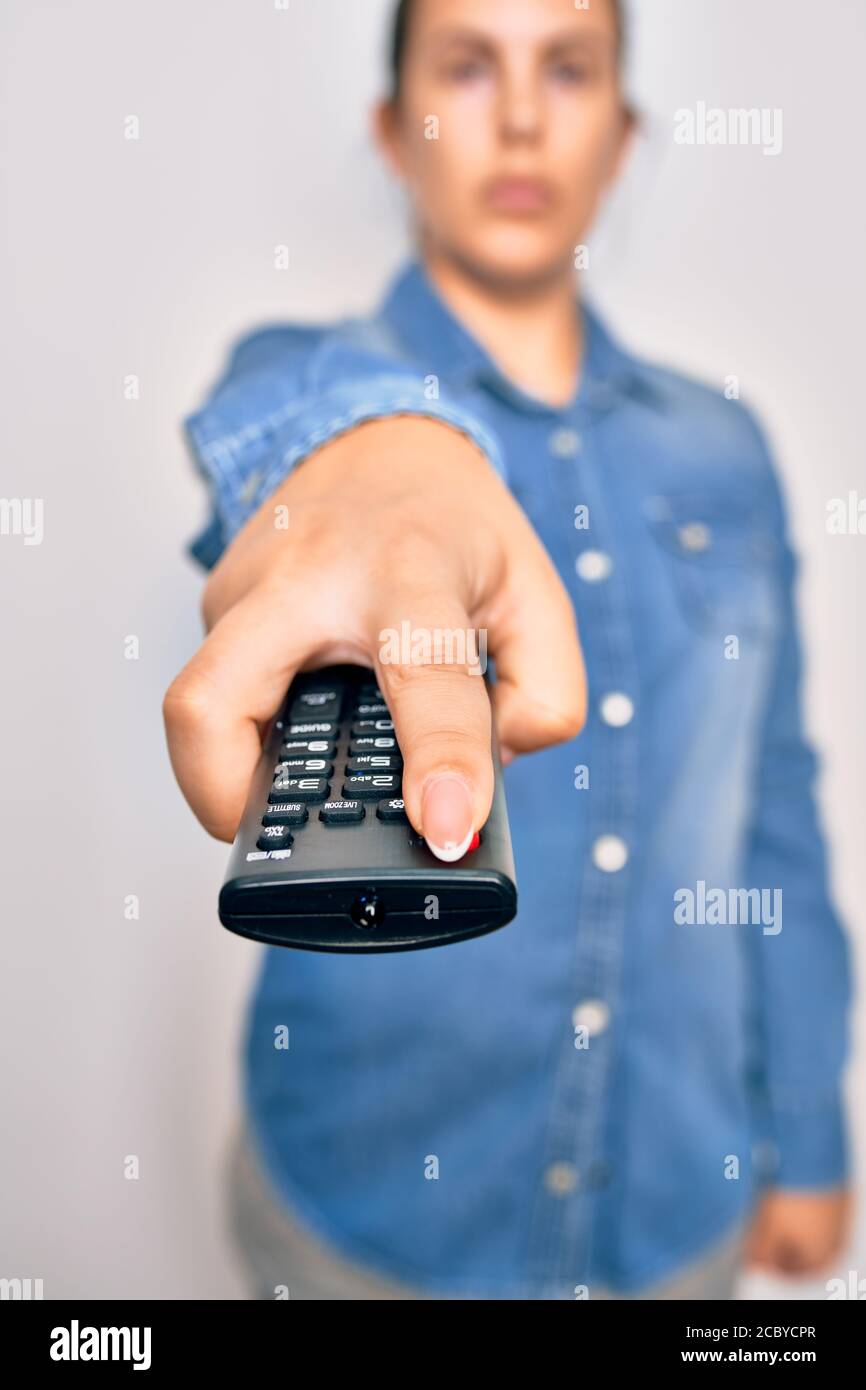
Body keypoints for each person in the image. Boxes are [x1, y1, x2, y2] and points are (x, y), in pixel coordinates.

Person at [163, 0, 852, 1299]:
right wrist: (382, 459)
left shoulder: (725, 450)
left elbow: (772, 813)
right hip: (360, 1227)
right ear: (391, 130)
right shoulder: (317, 384)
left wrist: (808, 1127)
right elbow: (284, 409)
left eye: (569, 70)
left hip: (668, 1219)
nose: (523, 116)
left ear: (620, 134)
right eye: (468, 68)